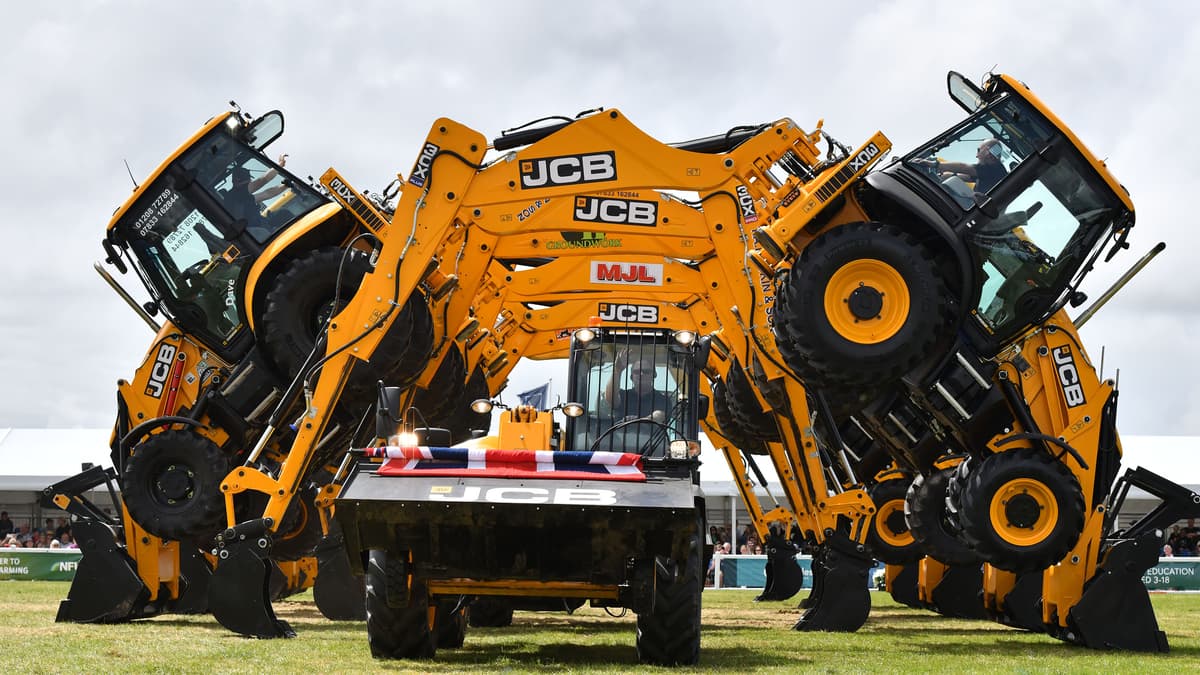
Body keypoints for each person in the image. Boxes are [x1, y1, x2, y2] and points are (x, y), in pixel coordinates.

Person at [604, 350, 671, 420]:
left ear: (654, 375)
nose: (641, 374)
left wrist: (637, 421)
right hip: (621, 431)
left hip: (652, 431)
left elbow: (658, 416)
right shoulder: (623, 396)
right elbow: (610, 398)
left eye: (646, 371)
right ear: (631, 377)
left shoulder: (662, 399)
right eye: (637, 372)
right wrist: (617, 370)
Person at [924, 138, 1008, 193]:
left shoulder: (994, 169)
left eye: (978, 150)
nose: (977, 155)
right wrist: (946, 175)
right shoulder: (990, 170)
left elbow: (963, 167)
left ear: (987, 151)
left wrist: (934, 164)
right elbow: (966, 177)